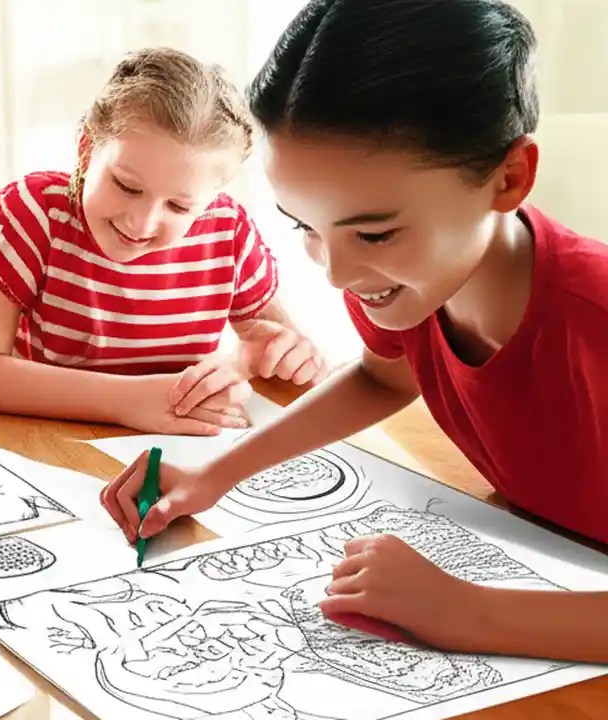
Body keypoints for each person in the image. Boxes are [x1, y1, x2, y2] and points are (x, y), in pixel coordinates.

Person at [102, 0, 608, 662]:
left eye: (375, 233)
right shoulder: (407, 287)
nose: (337, 273)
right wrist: (217, 472)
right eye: (306, 226)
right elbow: (382, 377)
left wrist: (471, 613)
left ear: (508, 178)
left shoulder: (592, 320)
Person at [0, 47, 327, 436]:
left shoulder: (228, 233)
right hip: (52, 443)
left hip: (182, 451)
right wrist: (127, 401)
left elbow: (285, 357)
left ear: (211, 198)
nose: (141, 222)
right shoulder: (34, 215)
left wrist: (287, 357)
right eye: (126, 186)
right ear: (86, 148)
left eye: (179, 206)